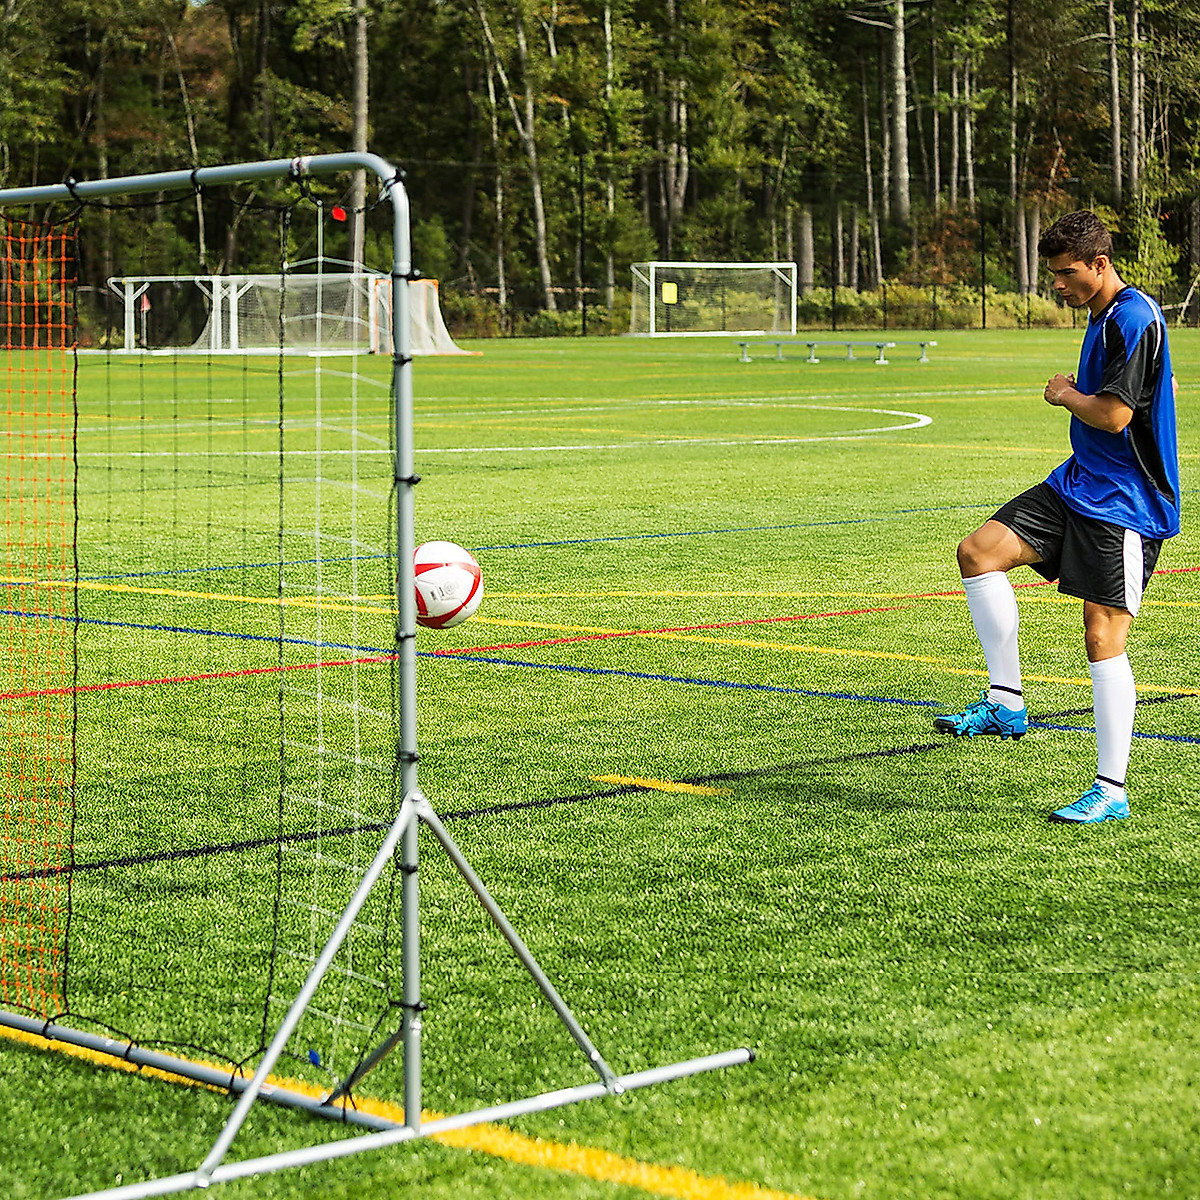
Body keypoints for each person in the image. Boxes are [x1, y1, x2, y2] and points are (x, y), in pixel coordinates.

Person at [934, 209, 1181, 823]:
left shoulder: (1133, 317)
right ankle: (1006, 702)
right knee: (980, 552)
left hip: (1127, 502)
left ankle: (1111, 791)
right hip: (1076, 485)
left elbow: (1115, 416)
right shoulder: (1102, 315)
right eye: (1053, 274)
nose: (1058, 285)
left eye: (1066, 273)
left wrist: (1063, 393)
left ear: (1100, 264)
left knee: (1102, 638)